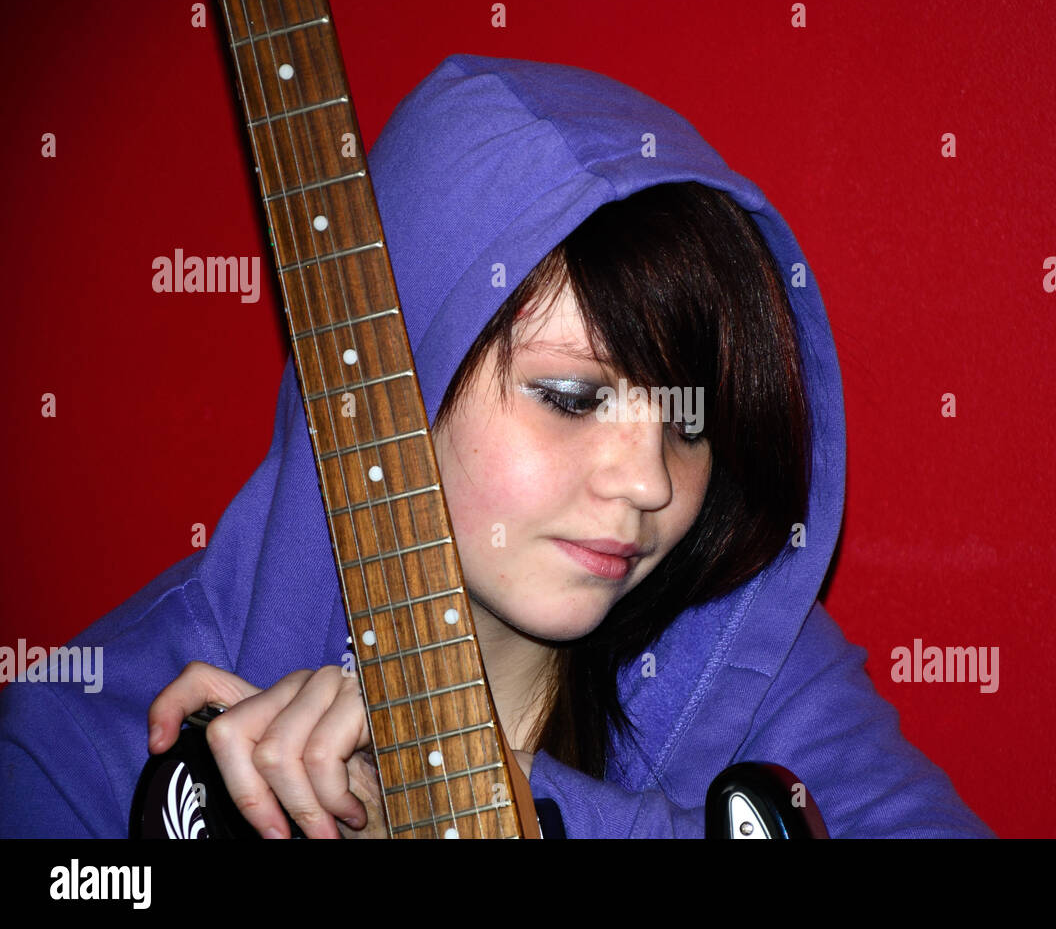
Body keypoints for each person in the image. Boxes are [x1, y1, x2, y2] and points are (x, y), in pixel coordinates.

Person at [0, 54, 992, 839]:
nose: (647, 482)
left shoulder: (750, 666)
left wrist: (506, 801)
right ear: (394, 377)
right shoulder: (90, 730)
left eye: (689, 419)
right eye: (571, 397)